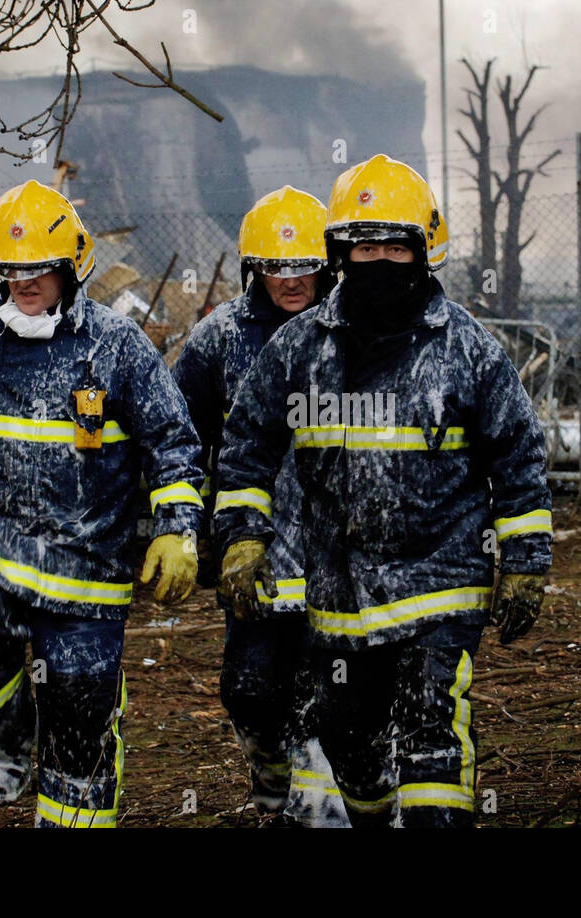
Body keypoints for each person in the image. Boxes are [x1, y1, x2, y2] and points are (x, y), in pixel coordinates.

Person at [214, 155, 553, 828]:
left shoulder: (466, 349)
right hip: (337, 598)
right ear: (338, 253)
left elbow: (517, 454)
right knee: (347, 736)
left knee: (431, 731)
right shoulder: (298, 348)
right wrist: (244, 536)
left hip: (440, 587)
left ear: (425, 252)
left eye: (395, 245)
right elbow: (246, 446)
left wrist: (525, 562)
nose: (378, 260)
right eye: (363, 246)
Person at [0, 180, 205, 828]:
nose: (23, 285)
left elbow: (172, 445)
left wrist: (177, 530)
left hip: (90, 565)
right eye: (9, 271)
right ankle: (9, 730)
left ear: (71, 268)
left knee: (80, 722)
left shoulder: (118, 347)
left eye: (38, 269)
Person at [172, 186, 347, 827]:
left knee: (323, 686)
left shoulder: (351, 328)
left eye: (303, 266)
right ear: (254, 268)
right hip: (255, 546)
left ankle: (317, 804)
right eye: (276, 267)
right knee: (247, 687)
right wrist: (184, 527)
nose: (291, 281)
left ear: (326, 263)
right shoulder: (220, 339)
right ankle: (271, 773)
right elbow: (178, 436)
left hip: (338, 550)